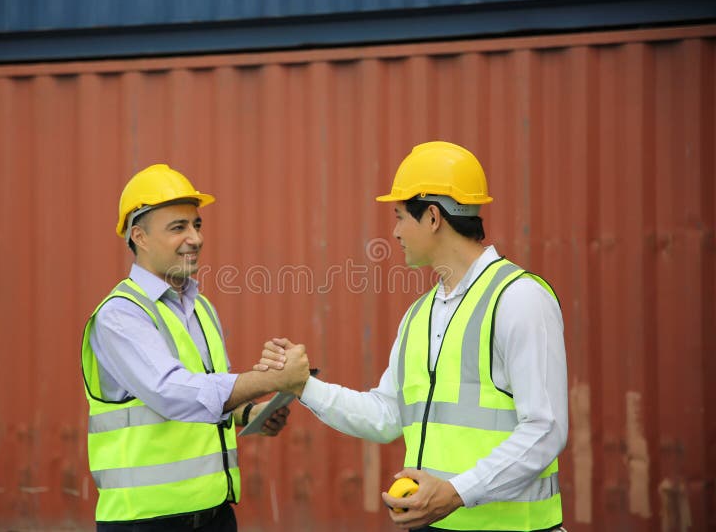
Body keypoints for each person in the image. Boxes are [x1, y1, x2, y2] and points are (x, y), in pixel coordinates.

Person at [258, 142, 568, 531]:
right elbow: (388, 416)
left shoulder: (519, 299)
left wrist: (455, 492)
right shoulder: (420, 315)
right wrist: (302, 386)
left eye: (401, 216)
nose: (395, 231)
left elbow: (545, 429)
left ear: (434, 217)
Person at [81, 164, 311, 532]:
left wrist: (248, 414)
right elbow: (174, 394)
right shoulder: (120, 316)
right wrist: (268, 378)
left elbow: (209, 390)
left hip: (214, 514)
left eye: (197, 225)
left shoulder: (200, 307)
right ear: (139, 236)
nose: (196, 238)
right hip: (146, 521)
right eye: (179, 228)